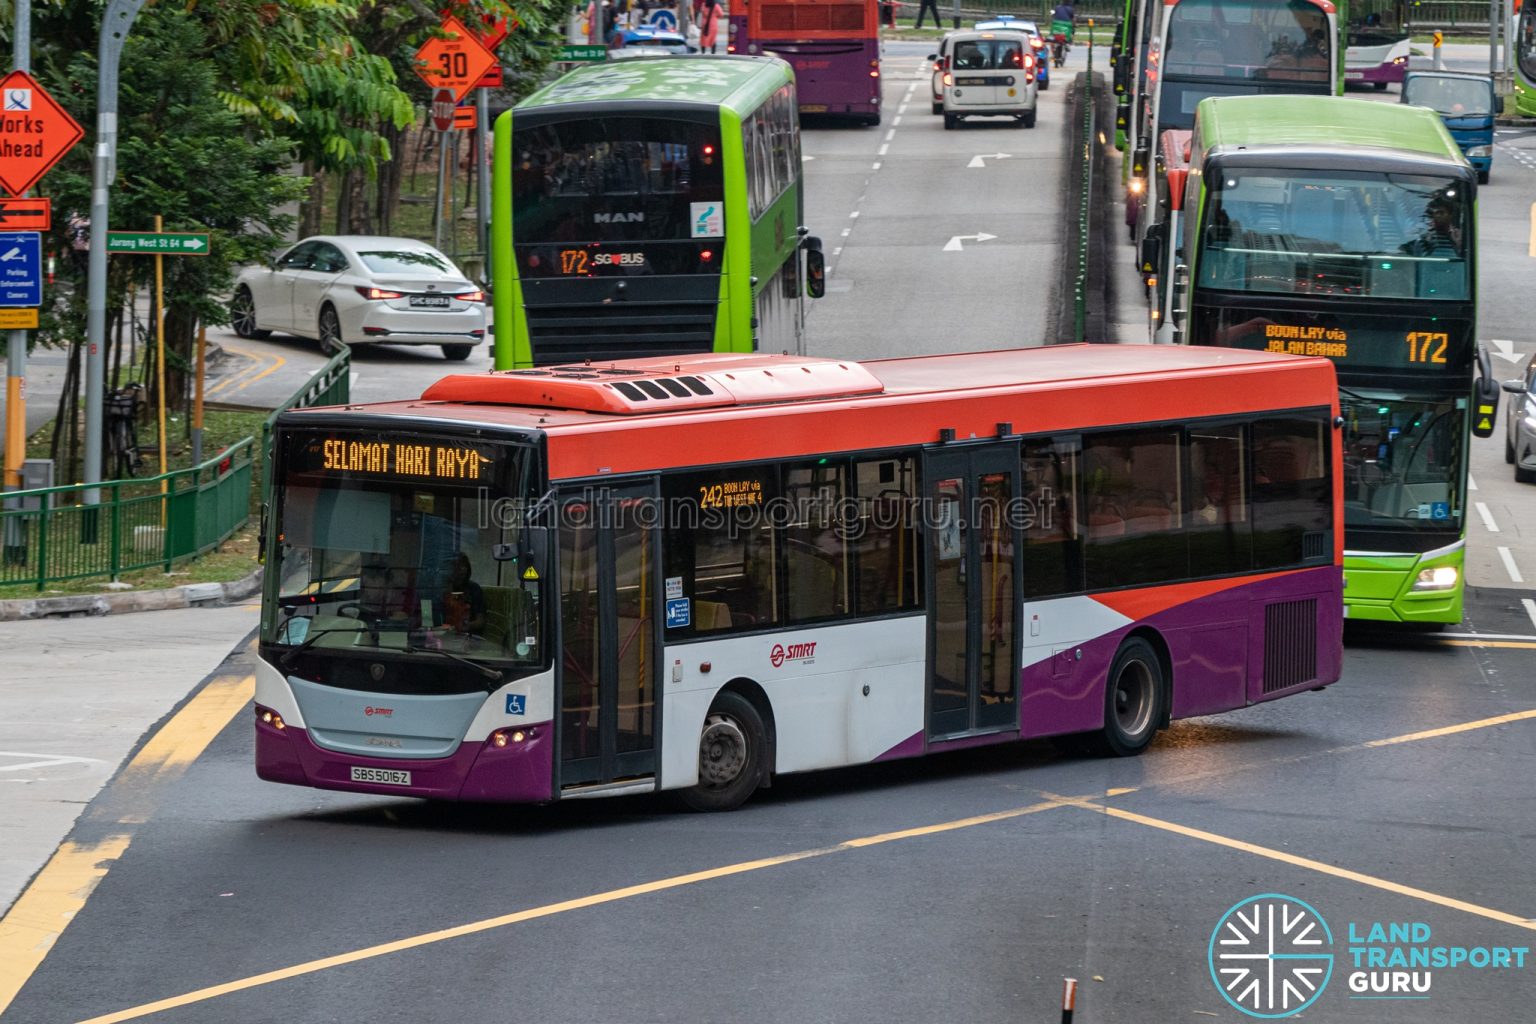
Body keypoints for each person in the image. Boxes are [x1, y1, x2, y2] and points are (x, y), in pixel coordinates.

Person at [440, 554, 486, 636]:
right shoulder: (442, 588)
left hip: (468, 637)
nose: (462, 569)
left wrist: (463, 627)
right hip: (444, 635)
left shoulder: (474, 589)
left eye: (464, 566)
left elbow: (480, 621)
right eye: (457, 566)